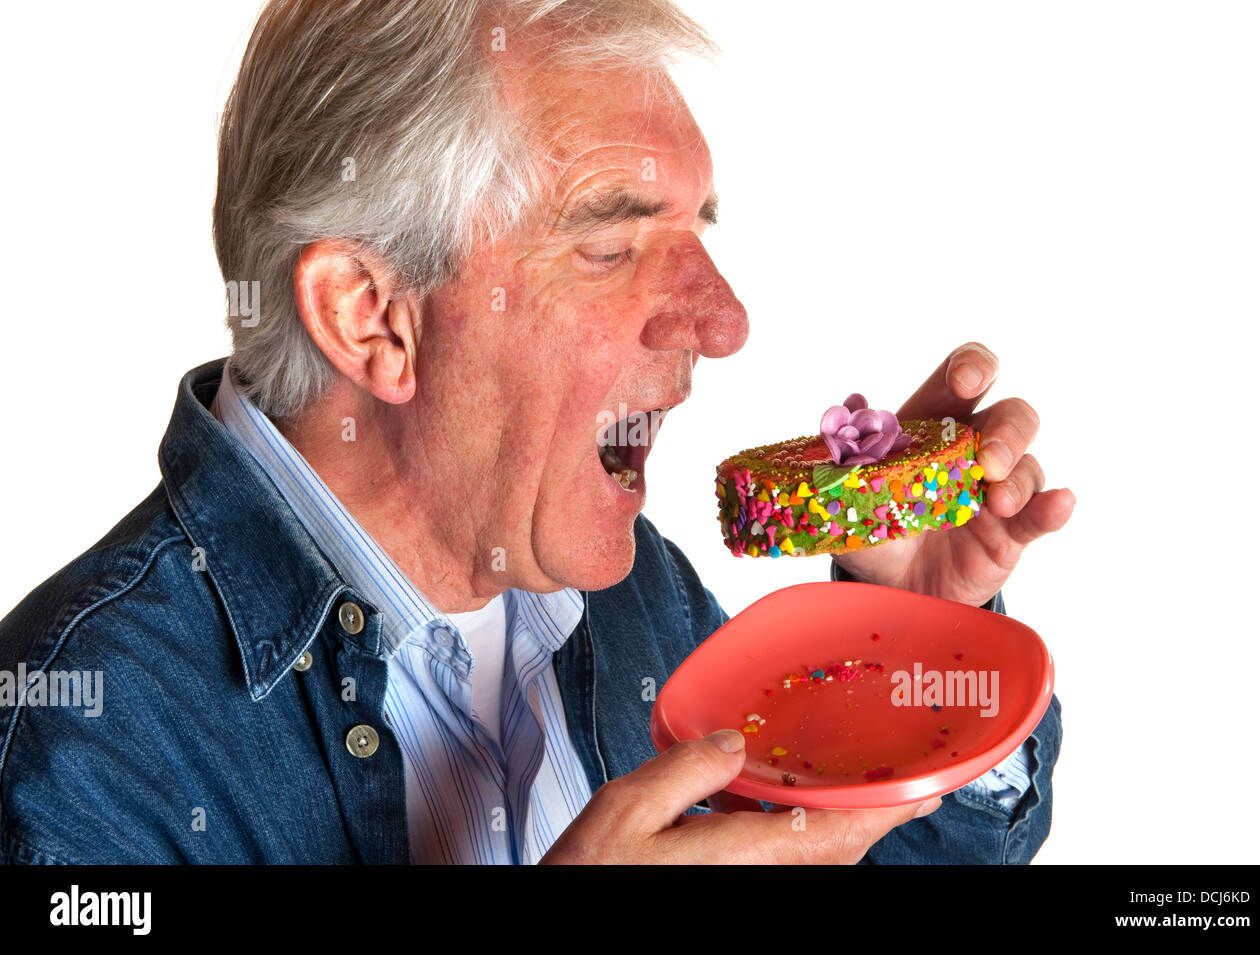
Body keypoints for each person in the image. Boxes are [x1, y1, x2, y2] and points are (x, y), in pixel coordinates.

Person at [0, 0, 1073, 864]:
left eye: (696, 229)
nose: (726, 321)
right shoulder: (79, 747)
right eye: (610, 246)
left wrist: (900, 652)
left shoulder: (624, 588)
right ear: (371, 317)